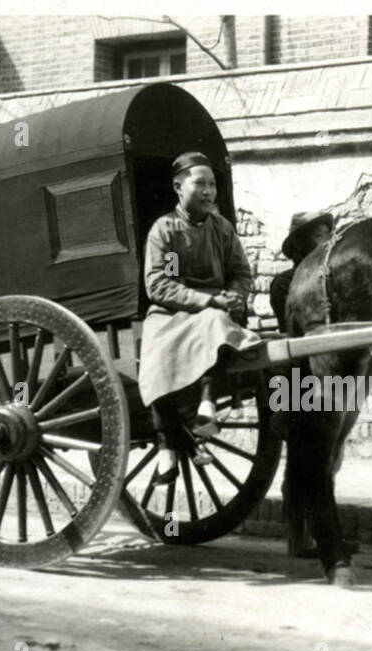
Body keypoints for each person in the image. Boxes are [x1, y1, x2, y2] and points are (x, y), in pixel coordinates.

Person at [140, 151, 258, 484]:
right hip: (172, 313)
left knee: (215, 322)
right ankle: (166, 444)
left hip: (216, 310)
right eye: (200, 184)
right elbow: (161, 283)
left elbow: (240, 272)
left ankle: (207, 403)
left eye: (212, 185)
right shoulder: (167, 231)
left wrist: (236, 295)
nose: (208, 191)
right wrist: (206, 300)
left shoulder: (222, 229)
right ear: (178, 186)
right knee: (160, 351)